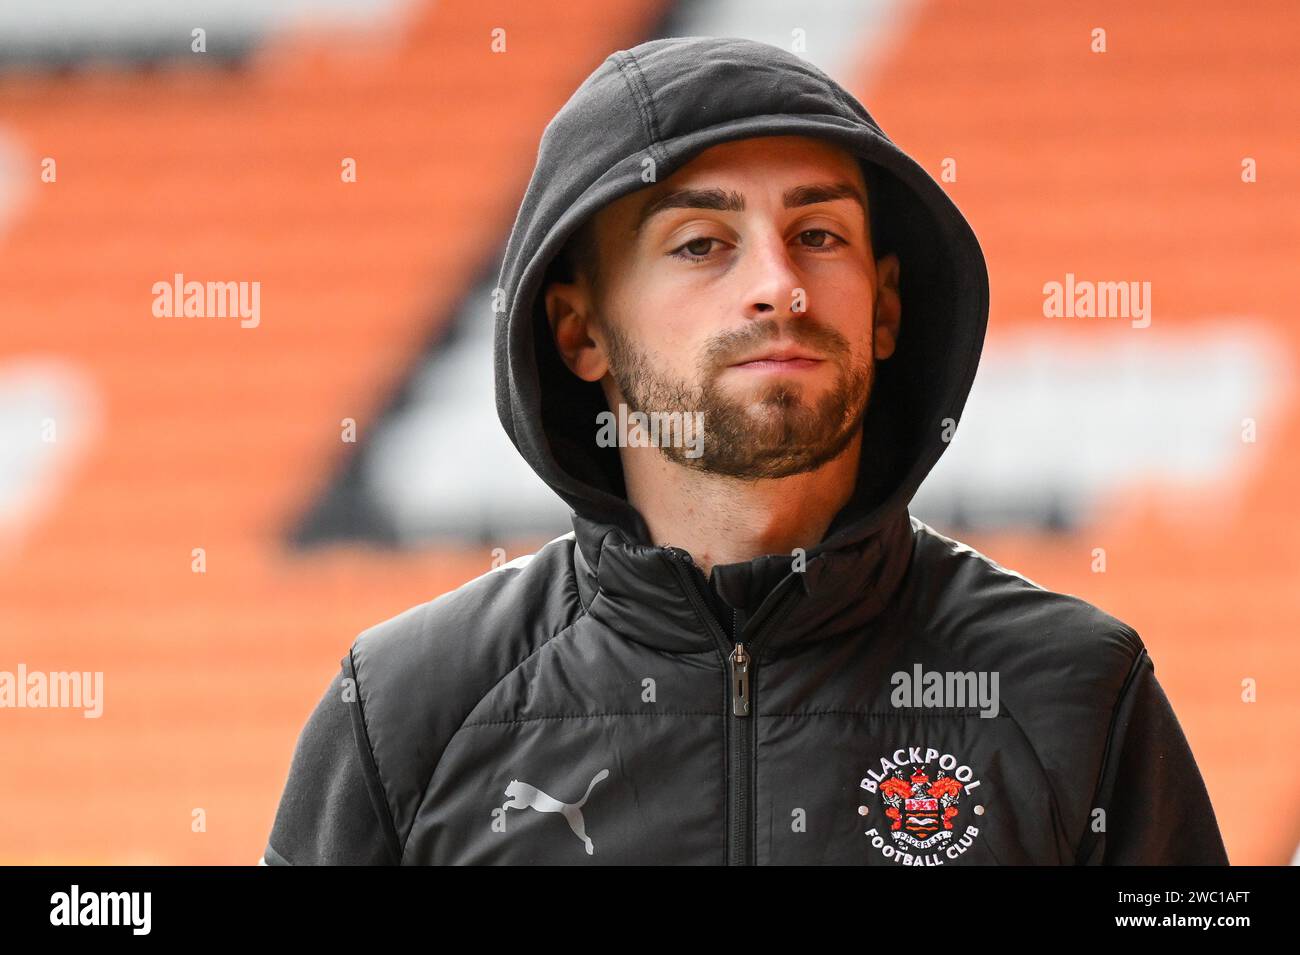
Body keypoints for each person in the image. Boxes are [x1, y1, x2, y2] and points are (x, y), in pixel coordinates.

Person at [261, 35, 1228, 865]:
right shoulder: (403, 713)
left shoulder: (1076, 696)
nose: (777, 285)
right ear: (578, 331)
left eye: (817, 233)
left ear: (885, 307)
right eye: (700, 243)